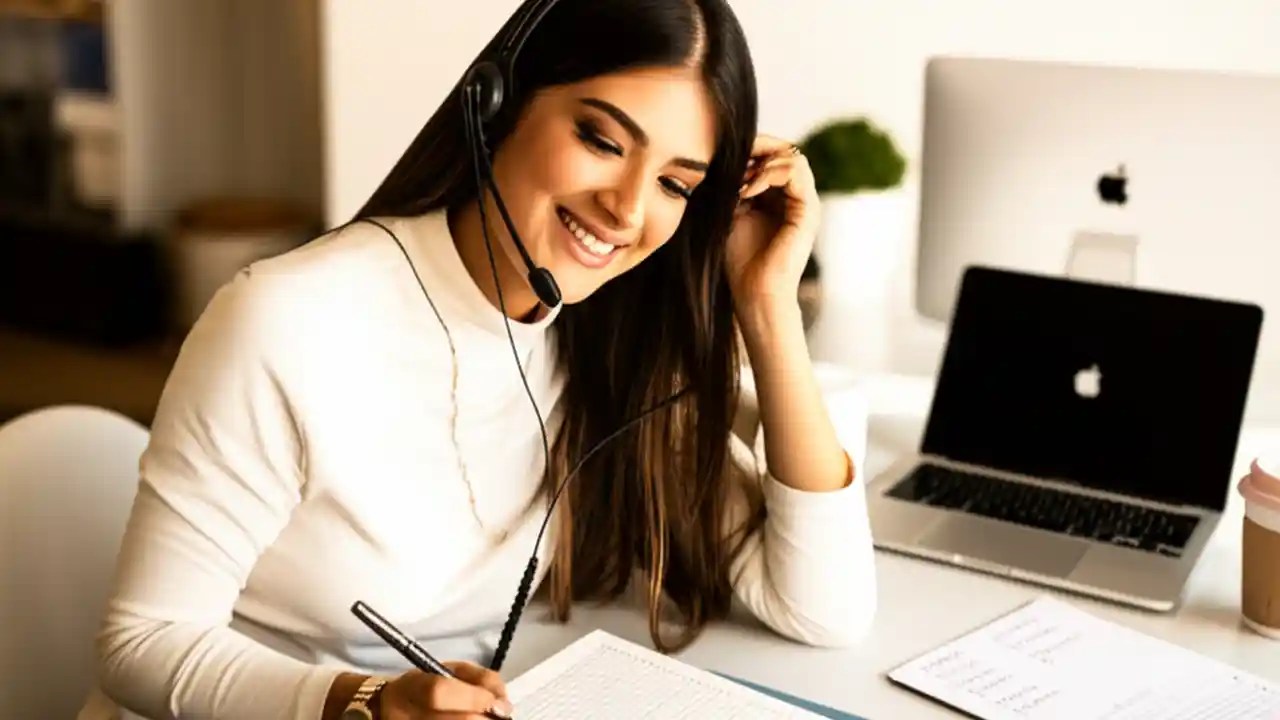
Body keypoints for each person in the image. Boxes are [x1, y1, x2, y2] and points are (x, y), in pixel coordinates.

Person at [81, 0, 878, 718]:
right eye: (602, 139)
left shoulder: (605, 337)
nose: (629, 209)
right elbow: (142, 642)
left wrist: (767, 306)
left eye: (676, 185)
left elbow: (823, 609)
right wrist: (363, 706)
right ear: (497, 106)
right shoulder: (289, 321)